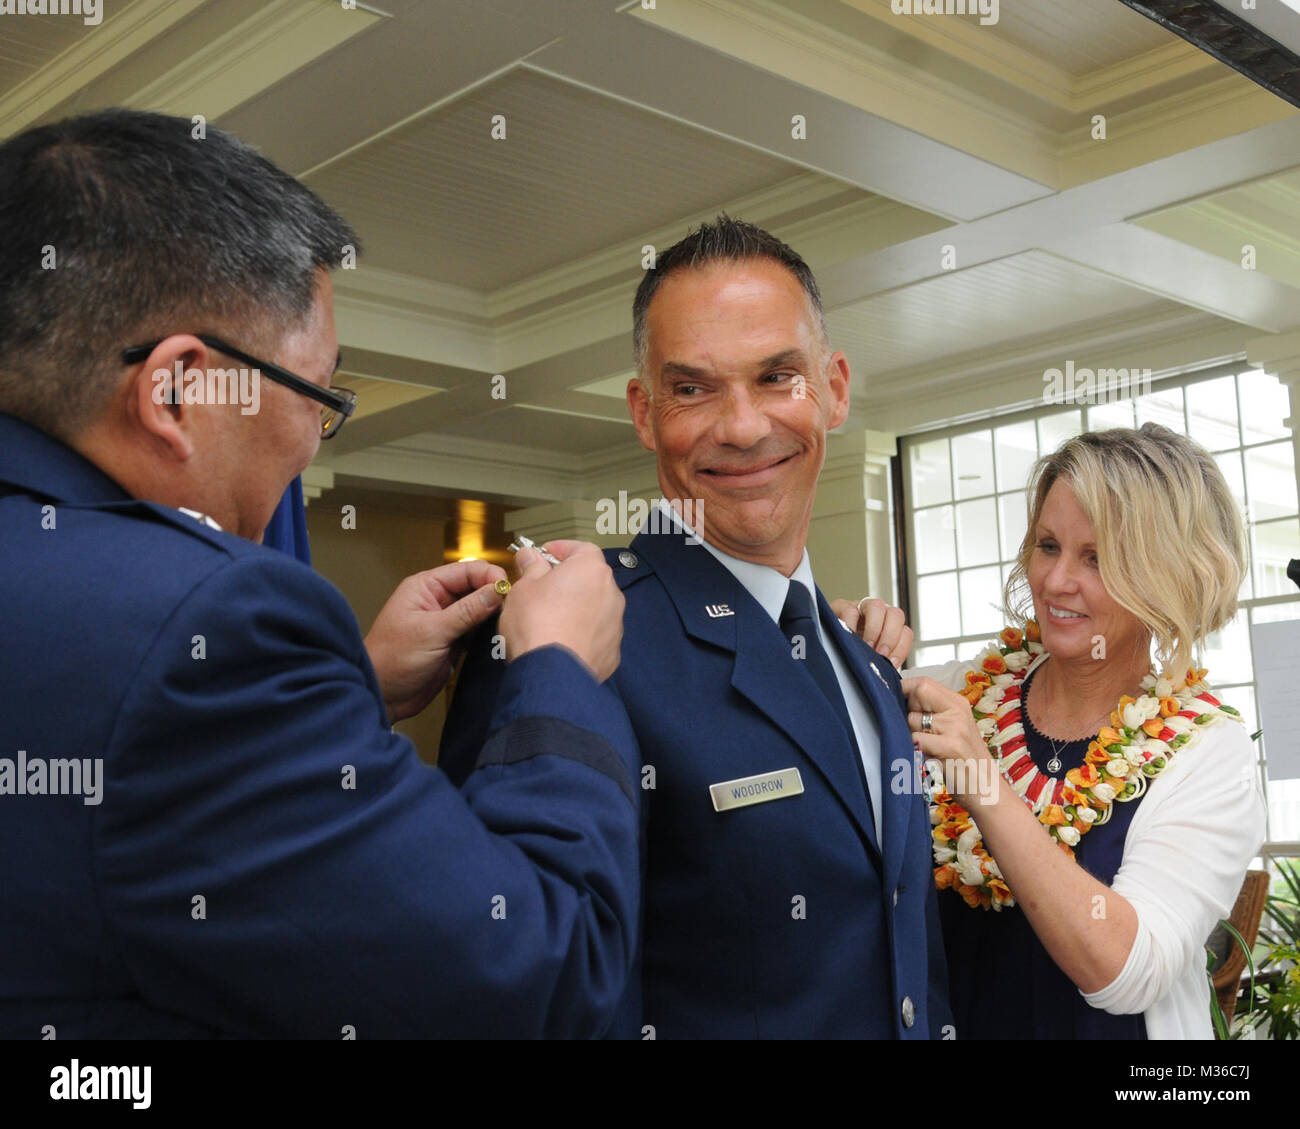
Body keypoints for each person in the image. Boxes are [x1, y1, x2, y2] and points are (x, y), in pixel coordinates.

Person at [0, 109, 641, 1038]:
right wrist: (557, 673)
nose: (313, 440)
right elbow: (542, 977)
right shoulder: (209, 622)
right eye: (320, 393)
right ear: (180, 389)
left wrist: (355, 691)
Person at [442, 217, 950, 1038]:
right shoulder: (563, 642)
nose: (743, 426)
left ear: (835, 388)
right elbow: (509, 984)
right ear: (643, 413)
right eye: (692, 388)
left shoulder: (864, 656)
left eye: (777, 376)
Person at [838, 424, 1266, 1039]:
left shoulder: (1208, 752)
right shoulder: (957, 692)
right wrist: (840, 645)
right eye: (1047, 545)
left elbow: (1127, 970)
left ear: (1170, 574)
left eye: (1096, 558)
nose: (1056, 581)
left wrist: (983, 785)